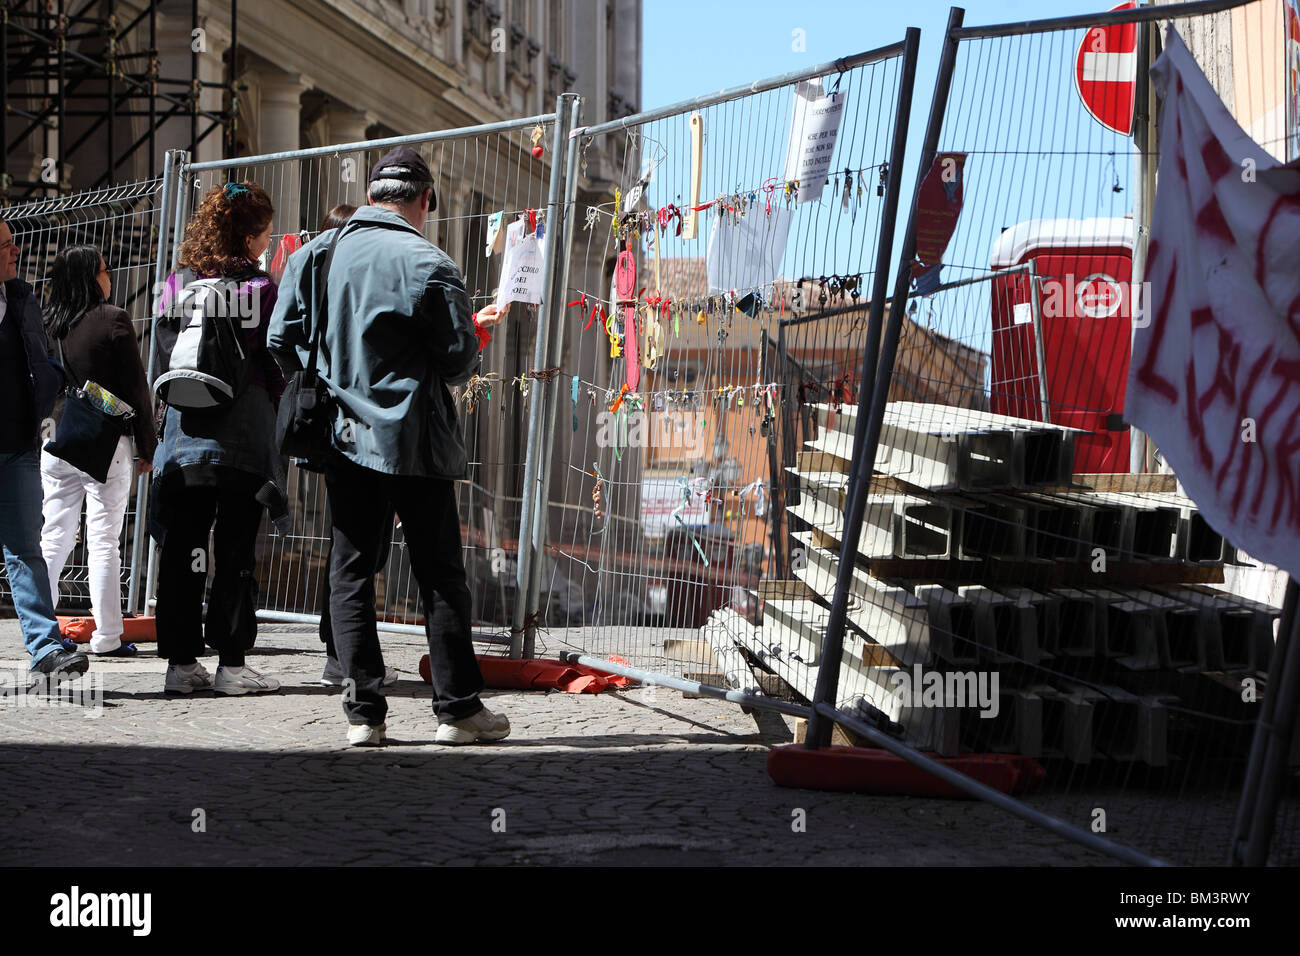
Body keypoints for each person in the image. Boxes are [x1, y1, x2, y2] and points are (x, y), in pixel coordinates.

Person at [269, 146, 507, 747]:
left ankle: (363, 715)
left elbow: (281, 338)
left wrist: (330, 374)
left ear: (373, 195)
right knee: (439, 575)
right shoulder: (430, 262)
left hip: (343, 438)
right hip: (413, 441)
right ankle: (457, 710)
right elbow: (457, 360)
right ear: (426, 200)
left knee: (349, 571)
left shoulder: (317, 253)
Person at [152, 181, 288, 696]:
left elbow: (163, 356)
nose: (267, 245)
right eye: (265, 236)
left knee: (184, 548)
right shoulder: (259, 288)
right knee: (234, 550)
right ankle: (232, 664)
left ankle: (180, 665)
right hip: (242, 437)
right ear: (249, 236)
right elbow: (276, 362)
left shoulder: (177, 282)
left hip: (186, 434)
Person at [39, 245, 156, 657]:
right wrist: (147, 442)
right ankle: (108, 636)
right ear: (91, 278)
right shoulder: (112, 320)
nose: (109, 278)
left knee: (54, 535)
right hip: (105, 439)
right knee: (104, 539)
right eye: (105, 271)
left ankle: (39, 632)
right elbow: (137, 388)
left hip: (57, 437)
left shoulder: (49, 322)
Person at [309, 201, 399, 689]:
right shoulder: (363, 278)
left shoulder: (316, 273)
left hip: (332, 425)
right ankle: (345, 657)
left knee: (346, 544)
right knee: (362, 549)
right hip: (365, 428)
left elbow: (286, 341)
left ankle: (340, 651)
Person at [0, 219, 90, 683]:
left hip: (16, 445)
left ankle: (43, 648)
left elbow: (35, 359)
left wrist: (52, 382)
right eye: (5, 246)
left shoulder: (20, 298)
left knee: (25, 549)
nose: (14, 252)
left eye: (13, 242)